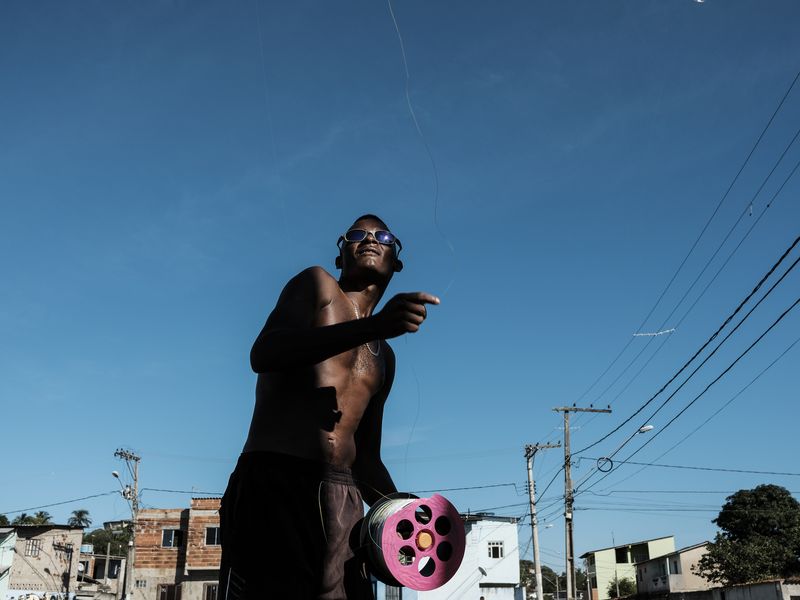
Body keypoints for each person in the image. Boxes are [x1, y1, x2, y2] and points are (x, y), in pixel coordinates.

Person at [219, 214, 439, 600]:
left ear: (396, 262)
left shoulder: (384, 355)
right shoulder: (317, 285)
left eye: (383, 236)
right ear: (340, 256)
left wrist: (404, 510)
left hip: (343, 497)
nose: (370, 239)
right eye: (357, 234)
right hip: (275, 484)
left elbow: (366, 457)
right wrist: (373, 326)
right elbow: (264, 352)